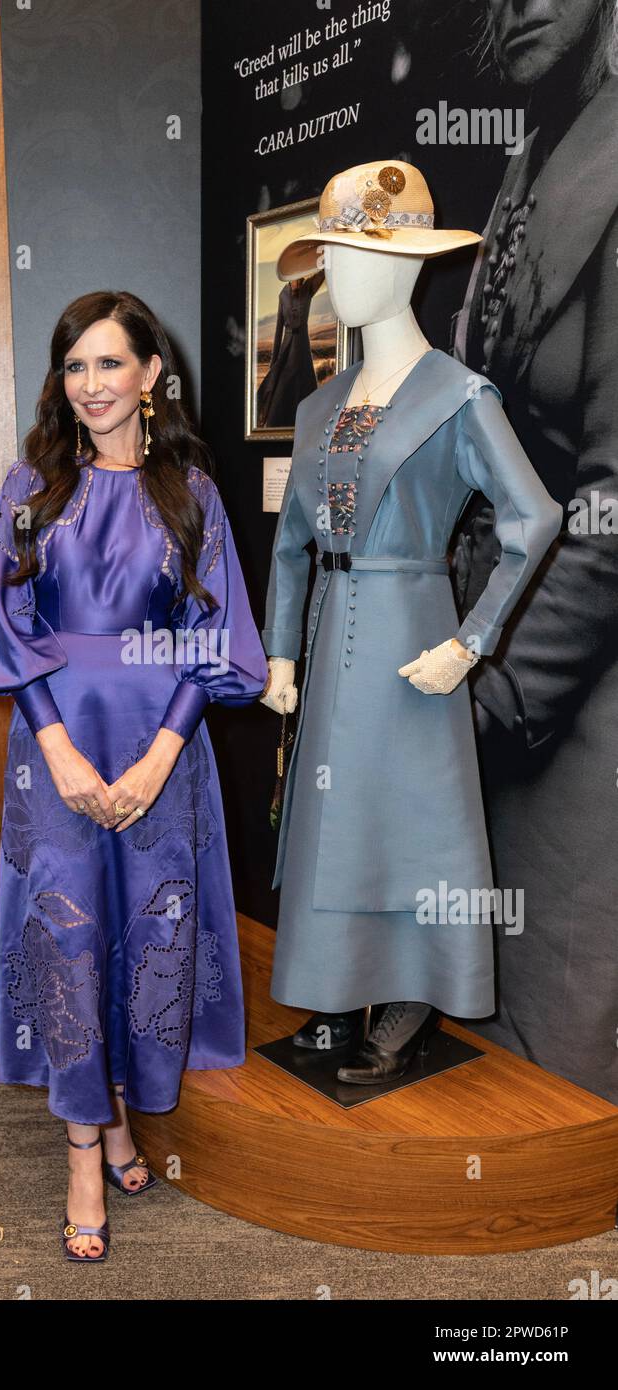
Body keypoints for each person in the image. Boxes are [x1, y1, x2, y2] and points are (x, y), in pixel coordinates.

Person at [0, 291, 269, 1260]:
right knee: (71, 940)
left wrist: (163, 751)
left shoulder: (192, 493)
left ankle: (122, 1111)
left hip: (161, 744)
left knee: (147, 931)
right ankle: (84, 1147)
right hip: (54, 742)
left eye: (109, 363)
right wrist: (54, 745)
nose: (90, 384)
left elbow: (215, 641)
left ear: (149, 375)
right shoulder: (30, 486)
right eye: (74, 365)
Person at [262, 161, 562, 1084]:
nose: (338, 277)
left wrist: (471, 642)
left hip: (413, 634)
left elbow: (535, 518)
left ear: (405, 265)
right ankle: (339, 986)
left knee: (413, 822)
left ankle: (416, 991)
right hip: (330, 633)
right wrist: (279, 653)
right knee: (336, 820)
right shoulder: (319, 407)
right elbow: (290, 547)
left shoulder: (457, 395)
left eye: (355, 252)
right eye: (332, 255)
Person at [452, 0, 618, 1103]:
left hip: (579, 676)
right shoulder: (530, 153)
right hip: (496, 644)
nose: (509, 14)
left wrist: (495, 695)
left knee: (563, 1044)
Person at [256, 271, 326, 429]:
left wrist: (325, 258)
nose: (297, 281)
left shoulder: (308, 288)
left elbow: (323, 274)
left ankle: (307, 426)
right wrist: (273, 363)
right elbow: (278, 329)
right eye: (294, 278)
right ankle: (277, 424)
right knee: (282, 388)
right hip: (287, 348)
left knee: (305, 386)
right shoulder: (283, 295)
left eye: (299, 277)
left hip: (303, 347)